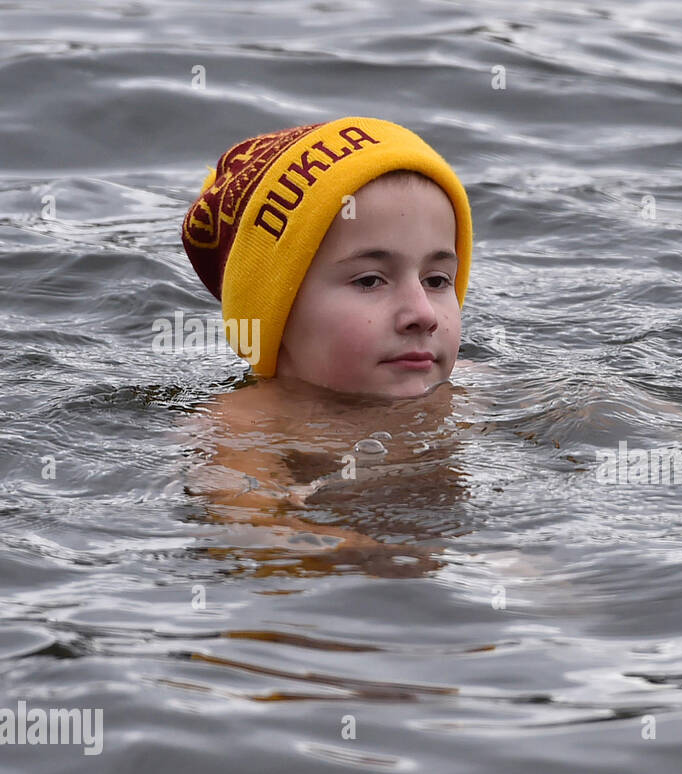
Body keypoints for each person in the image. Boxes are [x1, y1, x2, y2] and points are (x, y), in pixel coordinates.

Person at [177, 117, 475, 562]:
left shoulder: (470, 391)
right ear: (277, 313)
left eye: (436, 279)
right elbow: (252, 531)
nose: (422, 314)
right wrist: (380, 557)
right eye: (371, 281)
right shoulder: (241, 426)